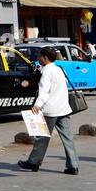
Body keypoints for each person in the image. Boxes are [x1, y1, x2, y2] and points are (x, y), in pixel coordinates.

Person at [17, 47, 80, 175]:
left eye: (40, 56)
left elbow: (44, 91)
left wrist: (37, 105)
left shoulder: (46, 72)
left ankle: (33, 162)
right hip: (63, 109)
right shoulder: (59, 69)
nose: (38, 58)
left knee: (42, 138)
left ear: (45, 58)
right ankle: (73, 166)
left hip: (50, 111)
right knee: (68, 138)